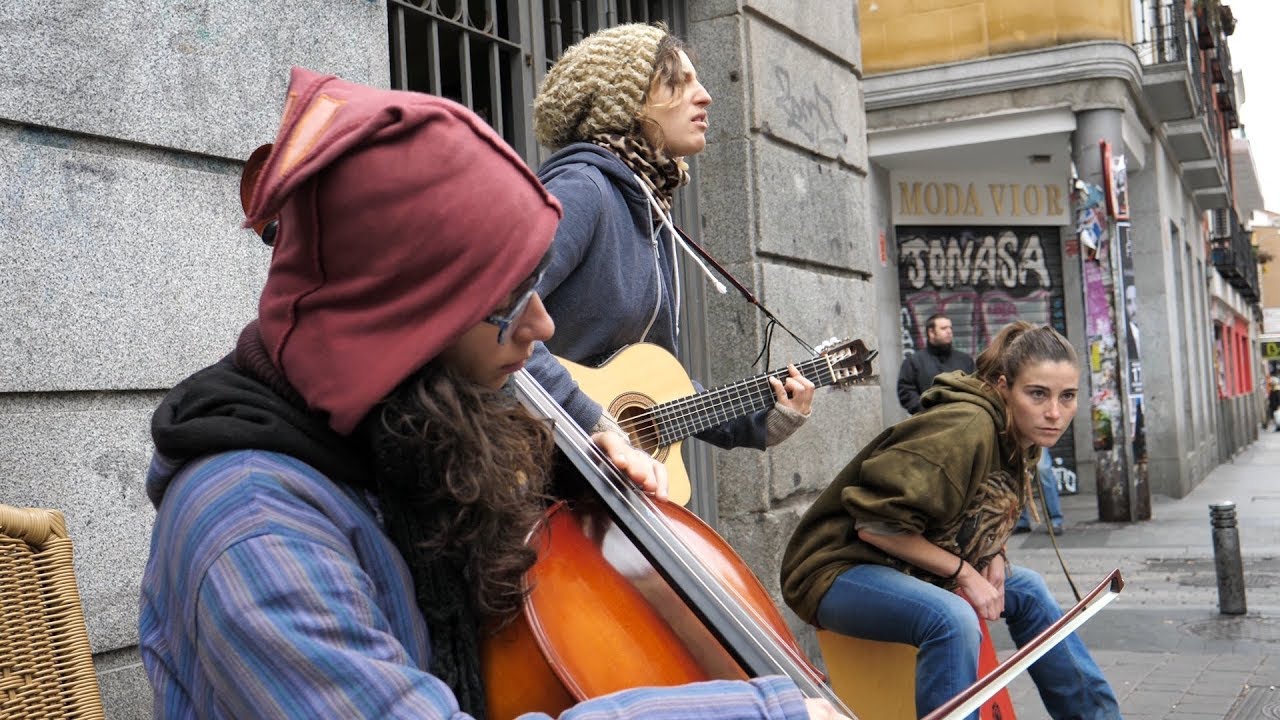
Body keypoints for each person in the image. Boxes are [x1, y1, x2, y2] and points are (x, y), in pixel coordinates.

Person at [138, 67, 848, 720]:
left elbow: (526, 373)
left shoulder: (392, 419)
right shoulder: (254, 530)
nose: (542, 324)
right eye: (505, 302)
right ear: (397, 323)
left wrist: (591, 433)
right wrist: (764, 711)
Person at [781, 321, 1122, 720]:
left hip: (905, 567)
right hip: (836, 570)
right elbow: (876, 526)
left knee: (1027, 588)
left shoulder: (1022, 432)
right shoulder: (964, 428)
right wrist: (966, 574)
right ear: (1002, 386)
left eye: (1068, 397)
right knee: (951, 619)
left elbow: (980, 504)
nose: (1054, 413)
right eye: (1037, 394)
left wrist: (992, 550)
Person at [525, 22, 815, 456]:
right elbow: (493, 316)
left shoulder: (647, 205)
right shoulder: (583, 190)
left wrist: (763, 421)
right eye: (676, 84)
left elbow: (656, 391)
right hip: (541, 463)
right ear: (624, 103)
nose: (705, 95)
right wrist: (585, 415)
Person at [897, 313, 975, 415]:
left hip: (962, 420)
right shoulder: (914, 362)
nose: (949, 332)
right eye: (944, 328)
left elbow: (975, 387)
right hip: (927, 424)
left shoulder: (965, 360)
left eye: (950, 328)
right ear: (931, 332)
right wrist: (924, 410)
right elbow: (906, 391)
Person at [1014, 447, 1065, 535]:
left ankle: (1055, 519)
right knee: (1016, 472)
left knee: (1043, 469)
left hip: (1038, 436)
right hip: (1015, 435)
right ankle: (1021, 520)